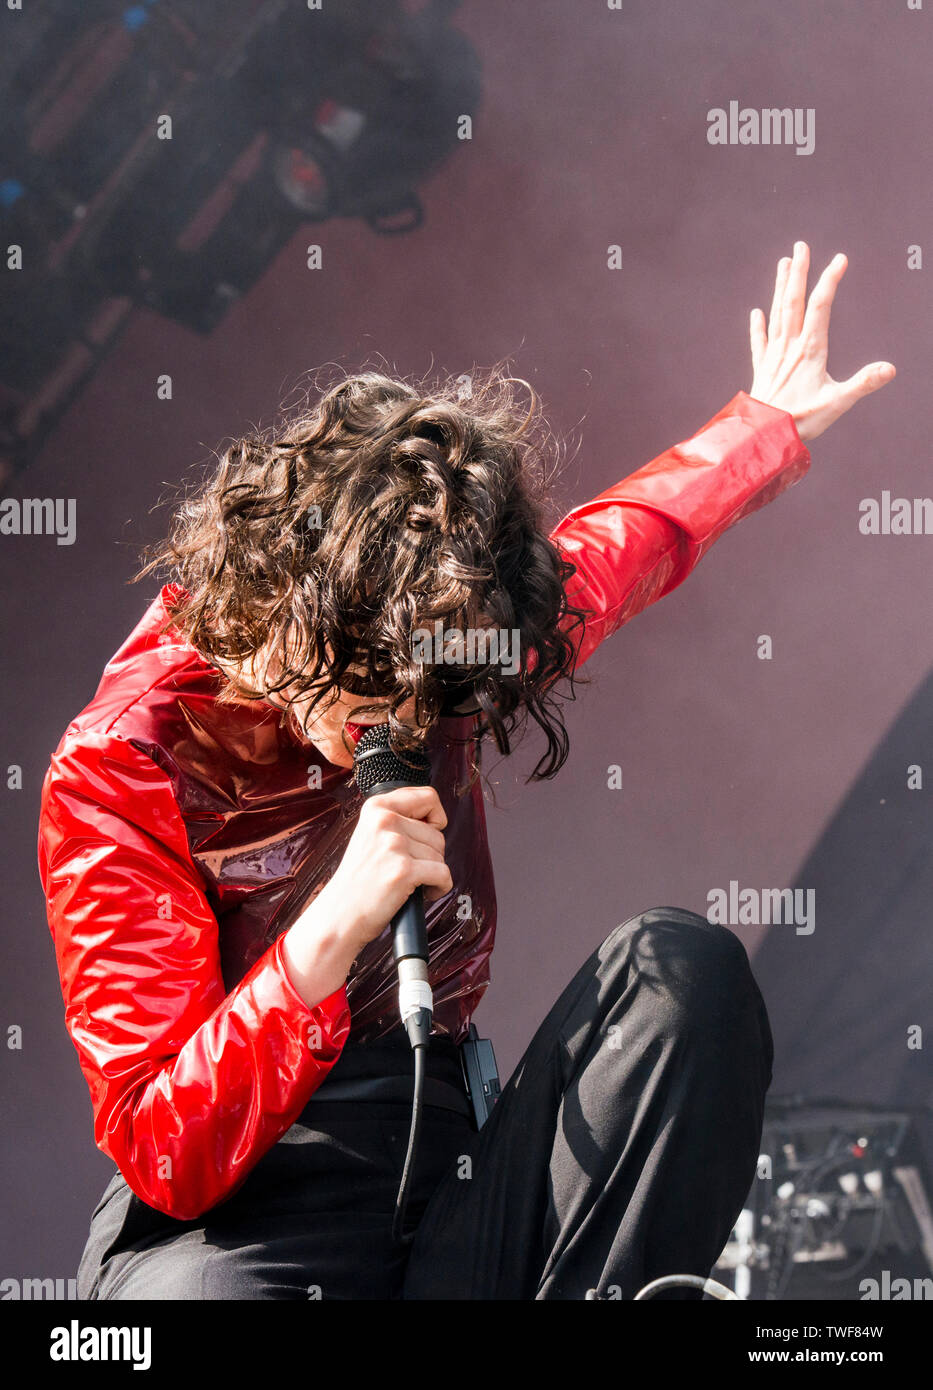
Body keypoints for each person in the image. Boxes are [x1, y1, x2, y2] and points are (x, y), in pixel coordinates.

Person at [38, 243, 895, 1300]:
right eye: (377, 688)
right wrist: (329, 930)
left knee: (683, 976)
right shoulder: (123, 759)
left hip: (449, 1169)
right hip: (241, 1221)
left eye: (426, 688)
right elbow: (161, 1141)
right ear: (299, 606)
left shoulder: (439, 645)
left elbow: (611, 554)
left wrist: (761, 430)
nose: (408, 718)